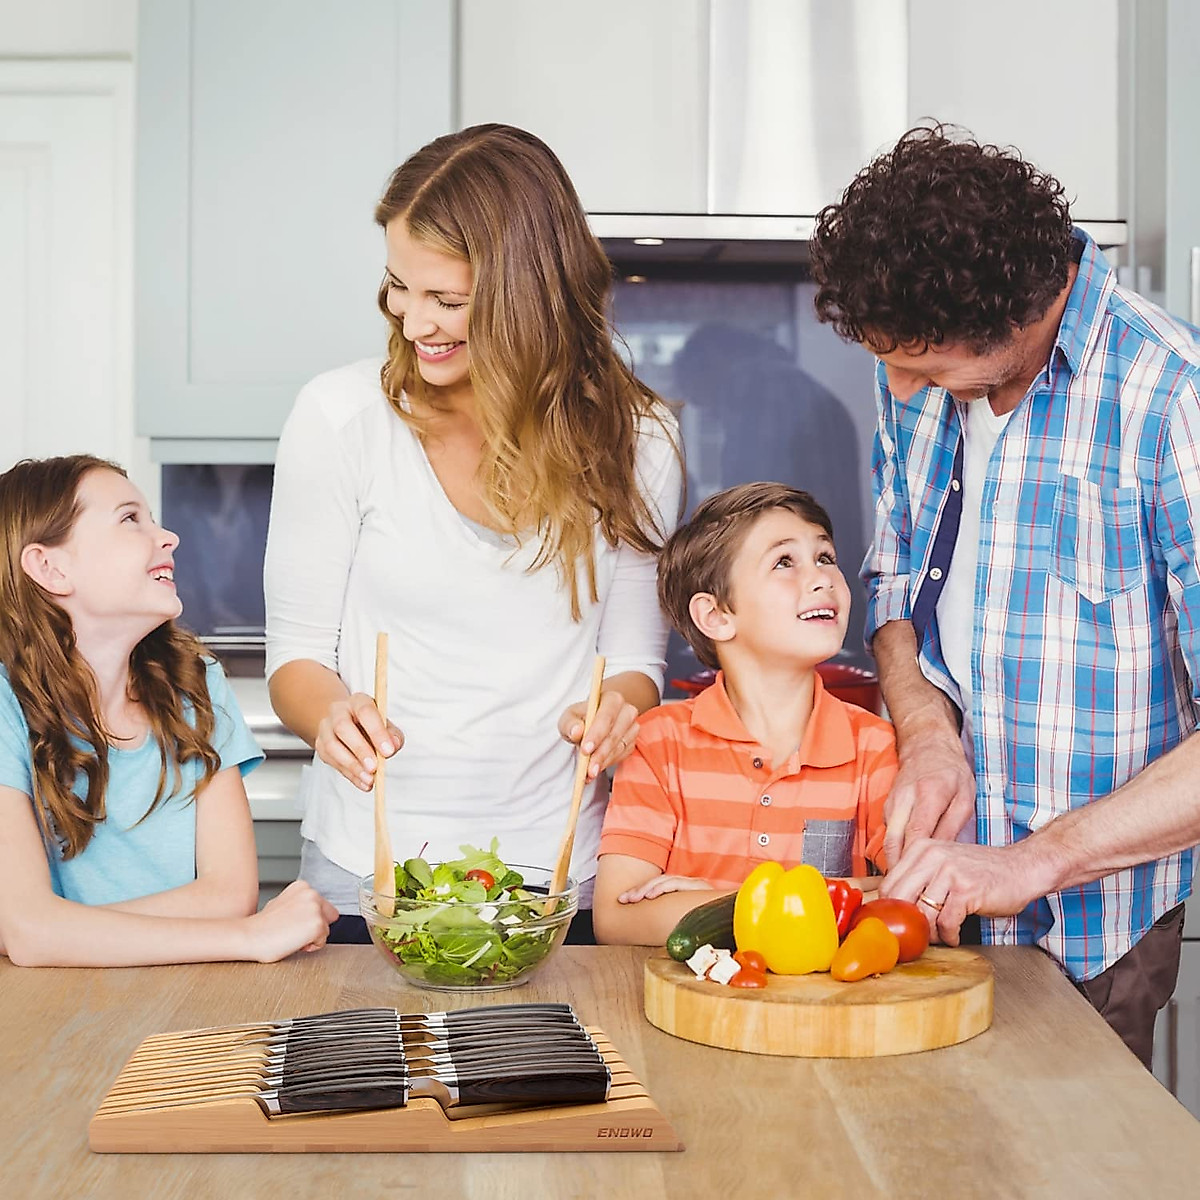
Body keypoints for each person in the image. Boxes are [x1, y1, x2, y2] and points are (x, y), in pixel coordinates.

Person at [809, 124, 1200, 1065]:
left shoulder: (1169, 401)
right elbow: (896, 580)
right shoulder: (913, 362)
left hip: (1092, 930)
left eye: (924, 367)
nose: (898, 385)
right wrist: (928, 735)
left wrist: (1031, 862)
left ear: (1010, 318)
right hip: (931, 912)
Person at [264, 124, 683, 944]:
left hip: (563, 879)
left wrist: (617, 714)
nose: (413, 321)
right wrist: (332, 717)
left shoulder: (641, 438)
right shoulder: (341, 418)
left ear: (530, 292)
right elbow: (296, 660)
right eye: (397, 287)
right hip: (370, 874)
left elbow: (637, 663)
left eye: (447, 300)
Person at [0, 455, 337, 967]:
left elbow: (229, 898)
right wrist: (249, 938)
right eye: (130, 518)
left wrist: (64, 930)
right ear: (51, 567)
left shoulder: (197, 684)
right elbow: (29, 932)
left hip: (180, 1000)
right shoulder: (6, 704)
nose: (168, 537)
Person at [593, 483, 896, 946]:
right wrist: (844, 895)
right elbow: (616, 919)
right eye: (783, 562)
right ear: (715, 616)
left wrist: (721, 900)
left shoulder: (875, 747)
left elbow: (912, 898)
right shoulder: (658, 743)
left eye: (825, 557)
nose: (822, 579)